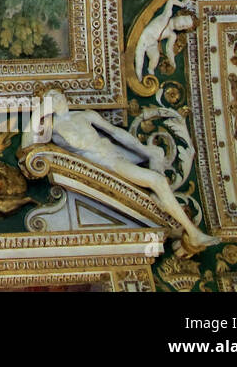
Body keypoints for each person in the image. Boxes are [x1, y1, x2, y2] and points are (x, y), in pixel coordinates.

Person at [35, 89, 219, 251]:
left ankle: (159, 196)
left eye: (58, 94)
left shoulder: (85, 115)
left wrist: (142, 150)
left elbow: (116, 133)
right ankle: (192, 232)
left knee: (156, 152)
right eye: (50, 97)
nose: (57, 98)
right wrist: (38, 114)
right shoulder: (53, 129)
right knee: (158, 181)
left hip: (114, 153)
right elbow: (29, 145)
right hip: (107, 165)